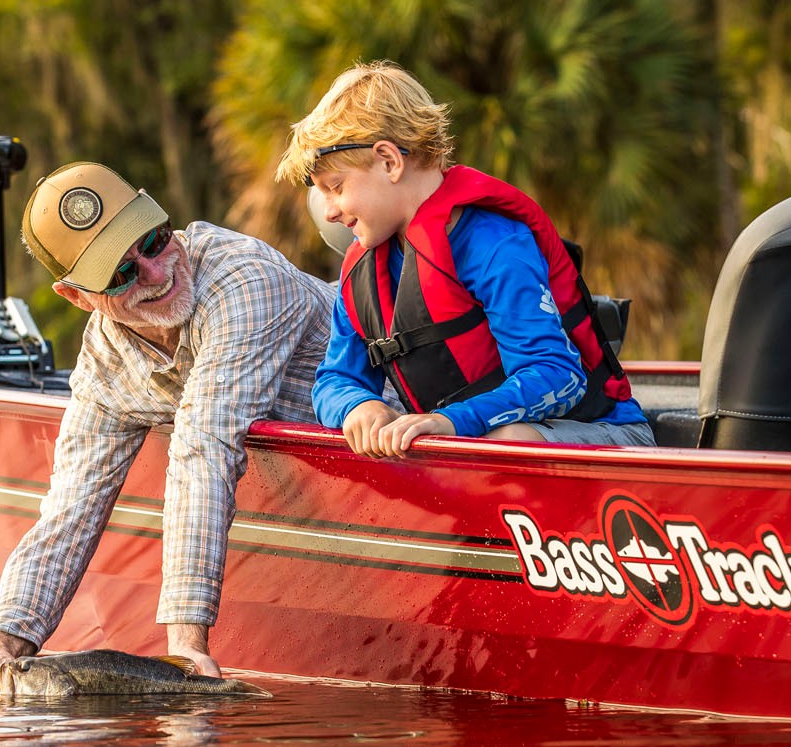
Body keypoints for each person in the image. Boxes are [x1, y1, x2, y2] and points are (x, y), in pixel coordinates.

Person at [0, 161, 333, 692]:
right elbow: (68, 514)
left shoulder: (245, 278)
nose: (156, 274)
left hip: (423, 416)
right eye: (120, 272)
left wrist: (184, 653)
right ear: (75, 296)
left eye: (154, 241)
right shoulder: (103, 359)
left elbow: (204, 446)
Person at [275, 63, 652, 457]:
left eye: (335, 188)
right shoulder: (362, 272)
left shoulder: (494, 245)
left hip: (603, 433)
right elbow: (334, 378)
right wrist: (357, 405)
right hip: (463, 445)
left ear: (389, 161)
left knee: (507, 441)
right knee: (467, 448)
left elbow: (557, 376)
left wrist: (451, 421)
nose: (330, 213)